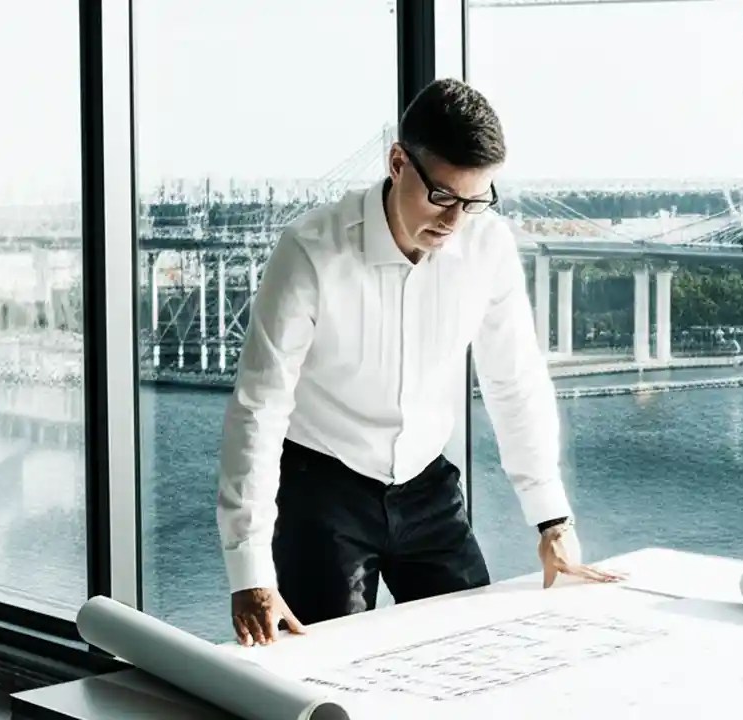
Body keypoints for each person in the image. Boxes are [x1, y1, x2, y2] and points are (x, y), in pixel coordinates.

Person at [215, 78, 622, 647]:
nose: (456, 220)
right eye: (443, 197)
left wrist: (553, 519)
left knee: (476, 650)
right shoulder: (310, 251)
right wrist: (250, 569)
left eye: (475, 200)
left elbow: (515, 382)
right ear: (398, 162)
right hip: (323, 489)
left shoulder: (488, 246)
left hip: (426, 484)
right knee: (324, 669)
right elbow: (260, 408)